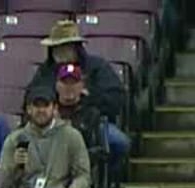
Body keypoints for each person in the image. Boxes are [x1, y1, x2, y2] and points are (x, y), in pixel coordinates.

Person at [27, 21, 129, 156]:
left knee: (119, 142)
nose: (59, 52)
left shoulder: (97, 67)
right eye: (56, 47)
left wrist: (88, 97)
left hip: (91, 122)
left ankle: (108, 176)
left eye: (64, 47)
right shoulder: (45, 71)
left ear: (76, 47)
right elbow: (30, 97)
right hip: (51, 124)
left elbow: (116, 97)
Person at [0, 87, 91, 188]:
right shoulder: (15, 139)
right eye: (36, 106)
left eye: (46, 106)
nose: (41, 110)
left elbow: (84, 175)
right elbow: (2, 183)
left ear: (54, 108)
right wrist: (15, 166)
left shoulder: (72, 136)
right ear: (29, 109)